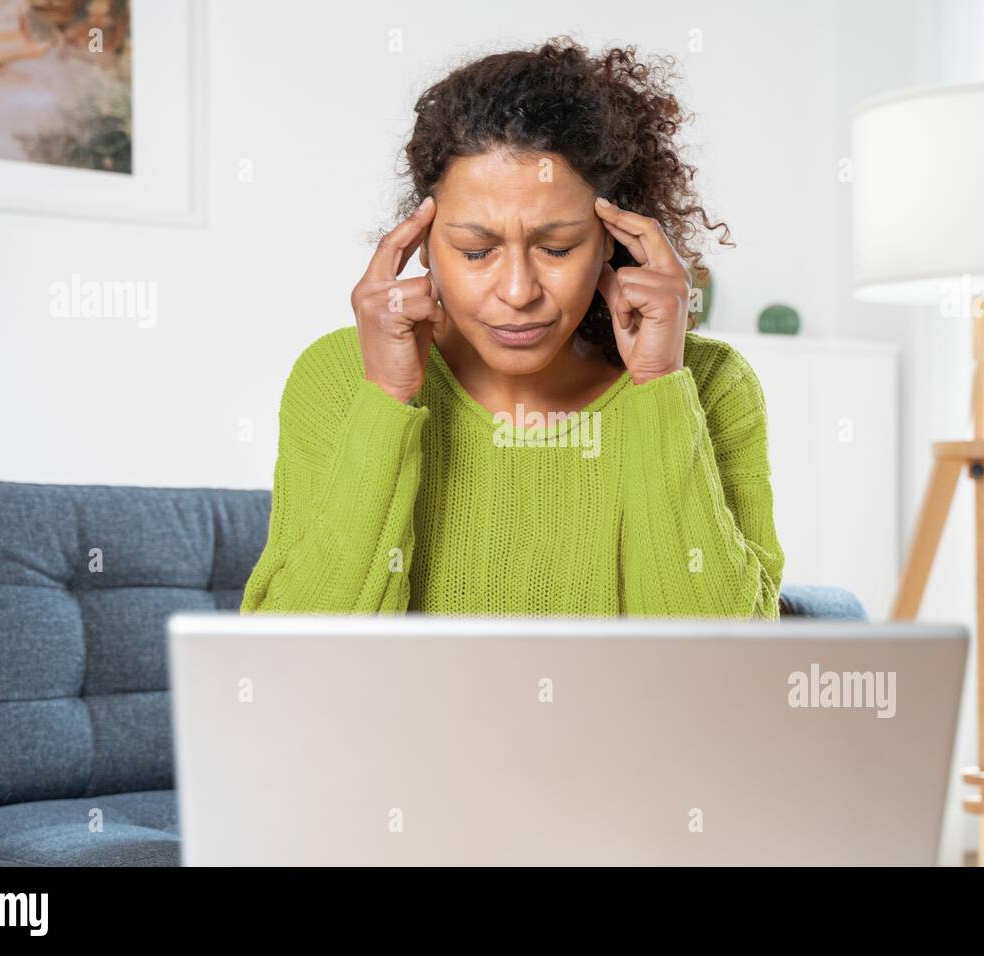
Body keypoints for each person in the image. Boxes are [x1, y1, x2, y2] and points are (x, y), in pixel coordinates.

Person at [240, 36, 784, 617]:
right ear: (421, 245)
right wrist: (386, 401)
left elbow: (720, 667)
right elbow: (296, 666)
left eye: (557, 248)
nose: (519, 292)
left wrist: (658, 387)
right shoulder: (340, 377)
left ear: (611, 241)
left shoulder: (708, 384)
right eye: (477, 252)